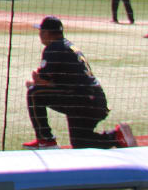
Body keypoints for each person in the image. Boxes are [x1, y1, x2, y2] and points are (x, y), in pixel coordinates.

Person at [23, 16, 136, 149]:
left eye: (41, 31)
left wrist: (34, 82)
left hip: (83, 100)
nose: (40, 35)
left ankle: (46, 140)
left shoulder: (54, 48)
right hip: (93, 101)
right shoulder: (66, 45)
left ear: (46, 33)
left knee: (34, 93)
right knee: (80, 142)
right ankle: (115, 137)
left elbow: (42, 80)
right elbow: (57, 82)